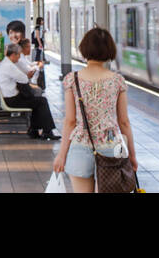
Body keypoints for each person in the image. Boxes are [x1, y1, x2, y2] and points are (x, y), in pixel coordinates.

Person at [53, 27, 138, 193]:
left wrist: (62, 155)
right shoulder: (117, 80)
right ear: (109, 50)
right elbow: (124, 122)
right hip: (112, 146)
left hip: (80, 146)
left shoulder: (72, 79)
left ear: (84, 48)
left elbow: (70, 121)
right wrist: (132, 156)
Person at [0, 42, 59, 139]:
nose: (19, 58)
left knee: (37, 101)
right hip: (12, 100)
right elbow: (24, 79)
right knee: (42, 101)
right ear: (13, 55)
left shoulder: (6, 63)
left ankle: (34, 130)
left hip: (10, 97)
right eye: (18, 55)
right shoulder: (9, 66)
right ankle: (46, 131)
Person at [7, 20, 44, 91]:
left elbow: (28, 65)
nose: (14, 36)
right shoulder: (17, 58)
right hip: (21, 87)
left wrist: (36, 63)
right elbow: (29, 73)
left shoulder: (21, 56)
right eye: (11, 32)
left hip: (21, 85)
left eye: (17, 33)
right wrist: (38, 66)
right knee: (39, 91)